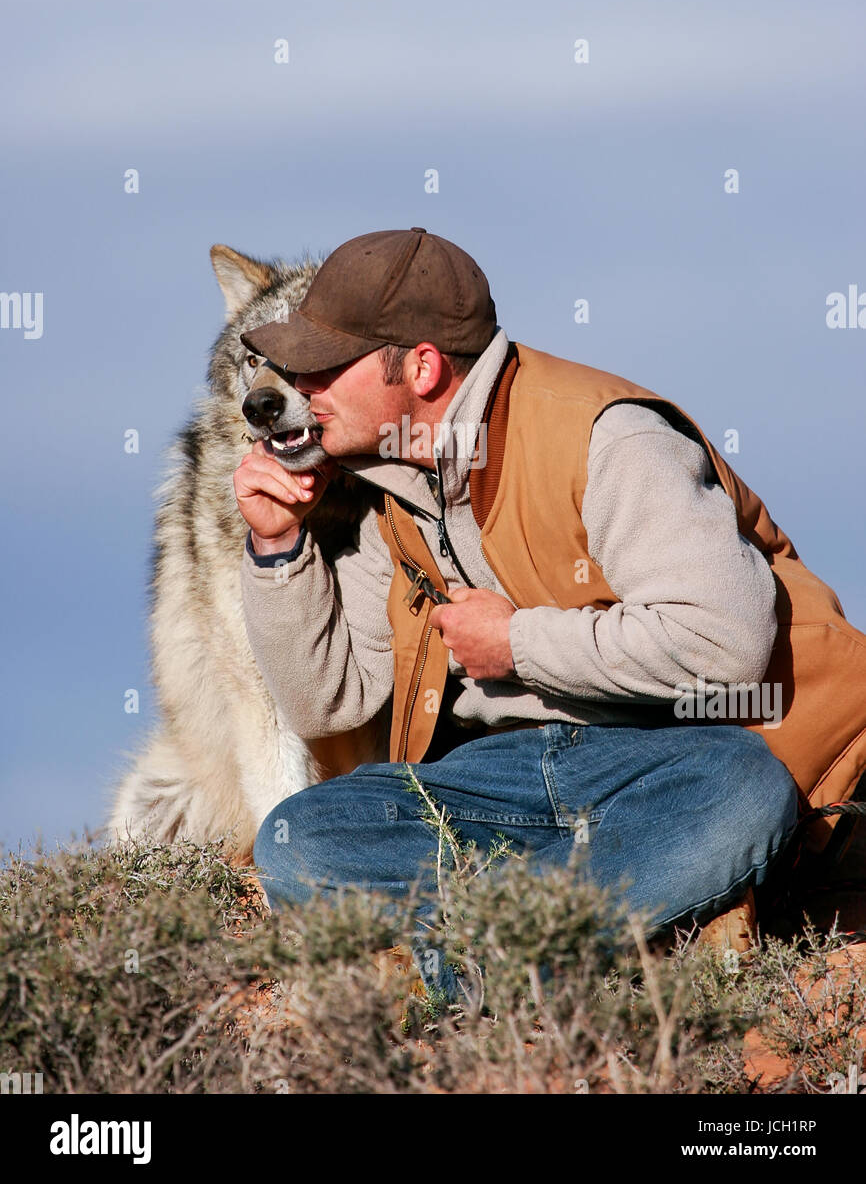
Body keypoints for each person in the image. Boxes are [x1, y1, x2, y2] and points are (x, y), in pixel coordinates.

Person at [234, 226, 801, 993]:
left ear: (423, 366)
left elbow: (726, 641)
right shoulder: (386, 484)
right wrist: (277, 550)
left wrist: (519, 645)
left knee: (745, 791)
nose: (296, 390)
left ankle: (473, 956)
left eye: (324, 368)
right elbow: (327, 702)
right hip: (493, 778)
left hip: (660, 759)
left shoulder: (610, 436)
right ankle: (588, 928)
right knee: (301, 834)